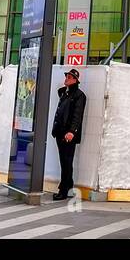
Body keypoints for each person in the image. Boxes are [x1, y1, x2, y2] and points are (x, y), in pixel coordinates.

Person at [51, 68, 87, 200]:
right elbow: (60, 91)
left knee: (67, 162)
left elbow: (77, 116)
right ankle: (68, 184)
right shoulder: (65, 93)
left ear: (75, 80)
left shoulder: (79, 95)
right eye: (66, 76)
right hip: (60, 133)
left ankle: (64, 190)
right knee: (64, 161)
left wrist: (72, 131)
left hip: (68, 135)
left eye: (69, 77)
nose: (66, 78)